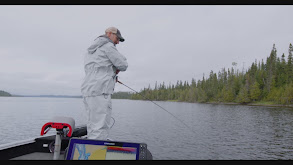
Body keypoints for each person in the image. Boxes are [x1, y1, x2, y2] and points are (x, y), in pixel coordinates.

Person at [81, 27, 128, 140]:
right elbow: (123, 65)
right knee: (100, 126)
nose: (117, 42)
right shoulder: (108, 46)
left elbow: (99, 66)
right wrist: (115, 69)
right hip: (101, 91)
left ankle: (91, 151)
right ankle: (97, 154)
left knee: (92, 125)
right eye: (117, 38)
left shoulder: (91, 50)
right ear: (109, 34)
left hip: (89, 90)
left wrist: (112, 71)